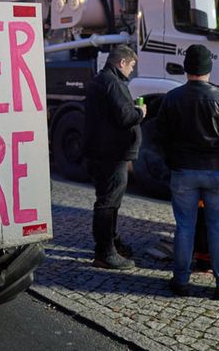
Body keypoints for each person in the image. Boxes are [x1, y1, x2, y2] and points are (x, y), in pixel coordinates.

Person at [154, 44, 219, 299]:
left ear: (186, 68)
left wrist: (171, 162)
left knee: (185, 227)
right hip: (216, 170)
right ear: (209, 68)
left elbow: (160, 136)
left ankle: (181, 281)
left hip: (183, 170)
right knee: (218, 229)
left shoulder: (172, 98)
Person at [84, 45, 146, 270]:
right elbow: (126, 117)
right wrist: (140, 112)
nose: (131, 71)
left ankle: (111, 242)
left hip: (102, 151)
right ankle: (105, 252)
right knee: (108, 202)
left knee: (108, 200)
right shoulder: (113, 83)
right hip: (110, 153)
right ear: (122, 63)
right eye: (131, 66)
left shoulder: (101, 80)